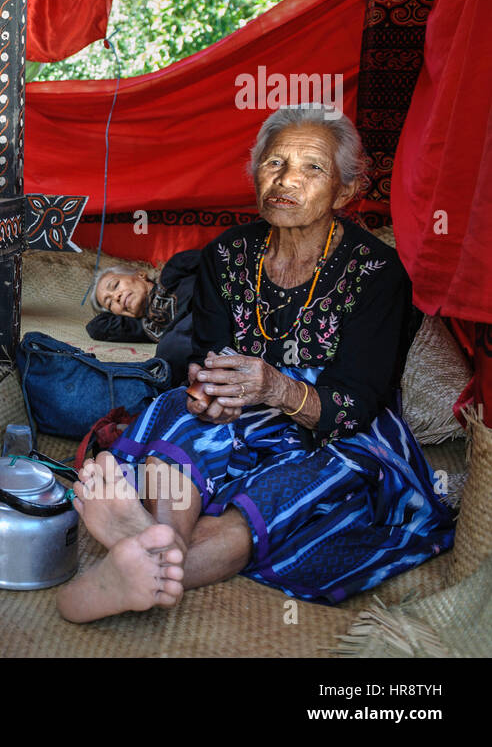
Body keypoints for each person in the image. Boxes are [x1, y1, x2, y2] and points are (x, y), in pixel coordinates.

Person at [56, 105, 454, 622]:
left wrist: (279, 390)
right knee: (182, 413)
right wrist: (207, 387)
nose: (286, 180)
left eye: (312, 167)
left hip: (332, 425)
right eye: (274, 164)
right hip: (242, 407)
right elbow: (208, 355)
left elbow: (356, 402)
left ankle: (129, 560)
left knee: (288, 496)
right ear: (255, 174)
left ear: (346, 190)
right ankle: (153, 543)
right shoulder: (227, 254)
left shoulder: (377, 273)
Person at [87, 251, 201, 384]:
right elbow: (96, 327)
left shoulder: (172, 274)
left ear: (141, 275)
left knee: (168, 349)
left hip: (217, 313)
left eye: (115, 285)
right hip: (204, 354)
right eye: (109, 303)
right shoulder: (145, 327)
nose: (115, 297)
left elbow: (218, 259)